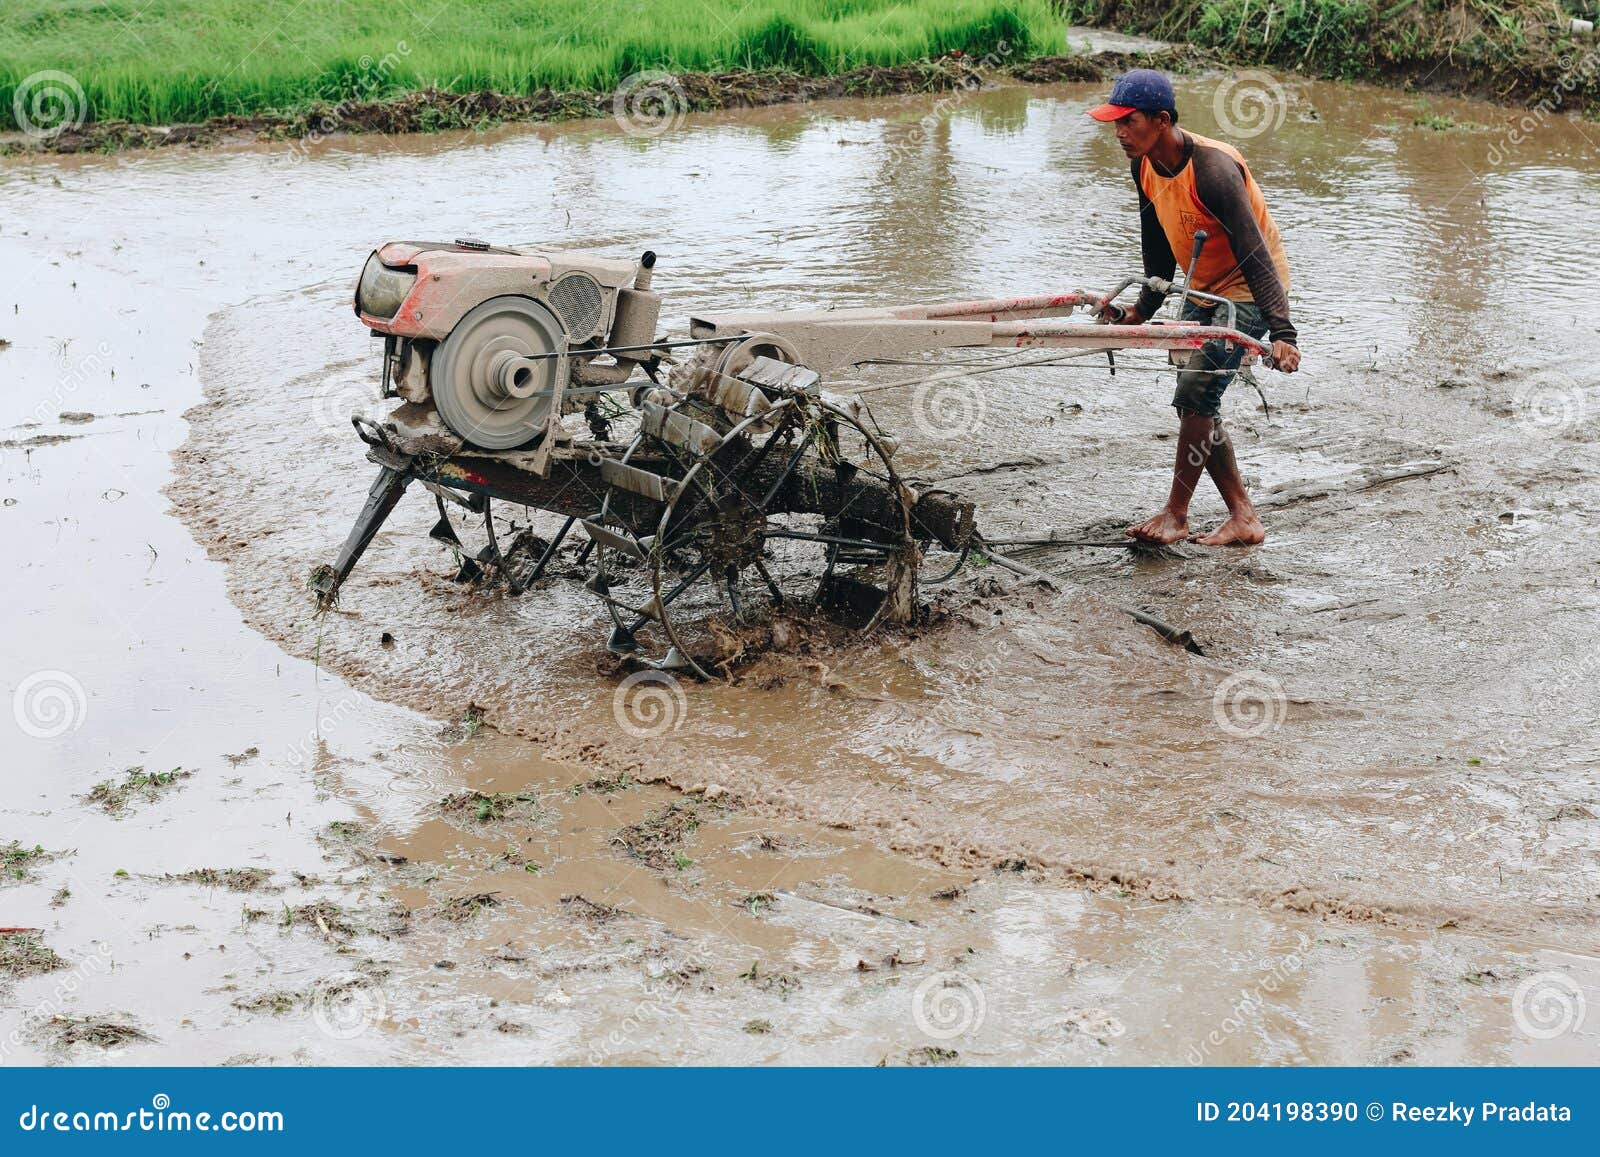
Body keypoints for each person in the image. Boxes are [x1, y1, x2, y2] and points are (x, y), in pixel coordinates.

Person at [1087, 69, 1301, 546]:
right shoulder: (1142, 164)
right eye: (1114, 123)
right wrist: (1141, 310)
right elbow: (1158, 248)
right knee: (1198, 401)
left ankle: (1176, 514)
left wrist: (1283, 333)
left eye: (1129, 122)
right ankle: (1243, 517)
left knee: (1196, 393)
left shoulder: (1214, 170)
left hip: (1248, 289)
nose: (1119, 133)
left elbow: (1254, 252)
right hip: (1204, 287)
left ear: (1161, 120)